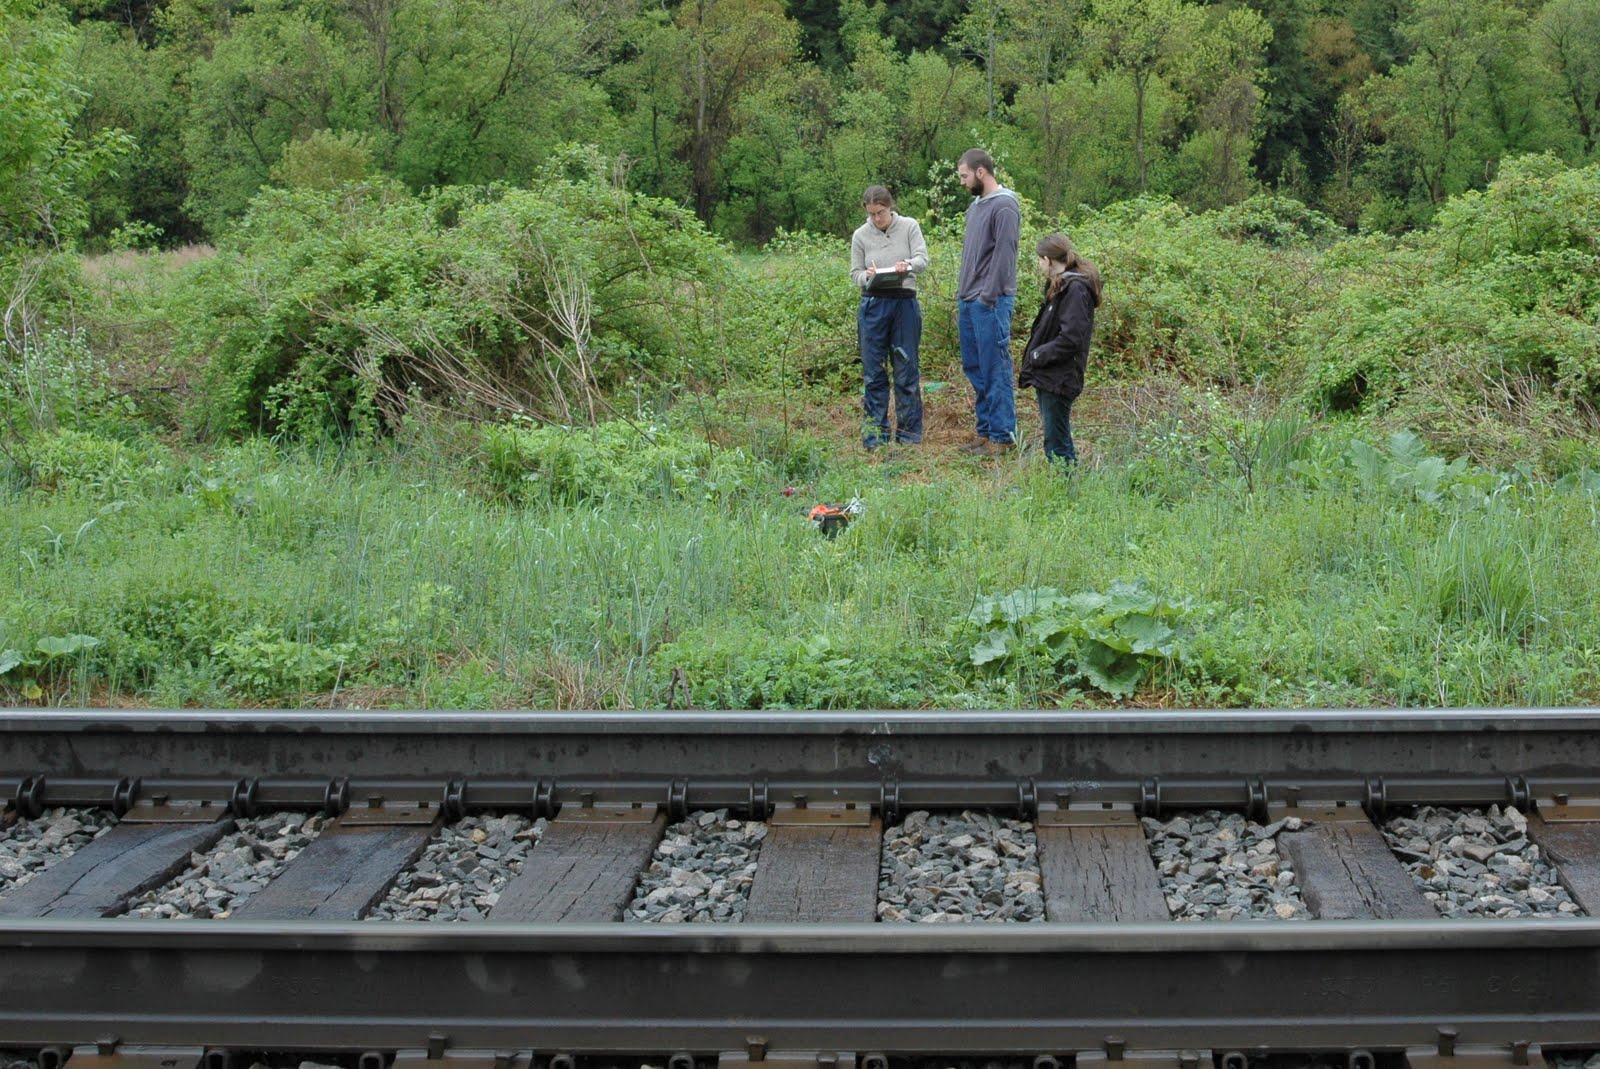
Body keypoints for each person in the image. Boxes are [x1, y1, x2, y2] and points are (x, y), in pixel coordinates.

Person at [850, 185, 928, 449]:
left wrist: (906, 265)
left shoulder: (909, 226)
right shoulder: (860, 235)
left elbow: (922, 260)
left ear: (890, 207)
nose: (877, 219)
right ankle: (875, 437)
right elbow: (855, 274)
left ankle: (908, 436)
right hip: (873, 304)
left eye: (881, 212)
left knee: (906, 370)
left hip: (903, 302)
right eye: (872, 214)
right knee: (874, 373)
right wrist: (868, 276)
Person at [954, 149, 1021, 457]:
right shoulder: (975, 207)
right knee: (975, 367)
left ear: (981, 172)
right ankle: (985, 431)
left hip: (990, 302)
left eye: (965, 176)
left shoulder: (1005, 205)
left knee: (995, 368)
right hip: (968, 301)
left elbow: (1004, 256)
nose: (963, 182)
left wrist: (987, 297)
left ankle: (1003, 435)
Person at [1018, 232, 1102, 467]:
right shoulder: (1061, 285)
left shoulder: (1075, 289)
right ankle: (1062, 487)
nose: (1039, 264)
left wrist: (1038, 355)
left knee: (1058, 441)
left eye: (1039, 260)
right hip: (1050, 374)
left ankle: (1065, 491)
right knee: (1054, 437)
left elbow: (1071, 338)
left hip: (1060, 376)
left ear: (1047, 259)